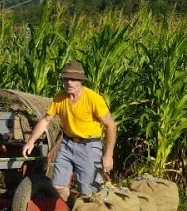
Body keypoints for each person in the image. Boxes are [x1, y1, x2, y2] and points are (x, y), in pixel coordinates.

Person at [22, 61, 117, 200]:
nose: (69, 82)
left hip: (89, 146)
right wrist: (31, 141)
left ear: (81, 81)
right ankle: (75, 210)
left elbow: (111, 125)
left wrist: (108, 155)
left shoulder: (93, 99)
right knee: (58, 185)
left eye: (73, 79)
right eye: (66, 79)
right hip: (67, 144)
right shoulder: (60, 98)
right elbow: (45, 120)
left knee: (88, 191)